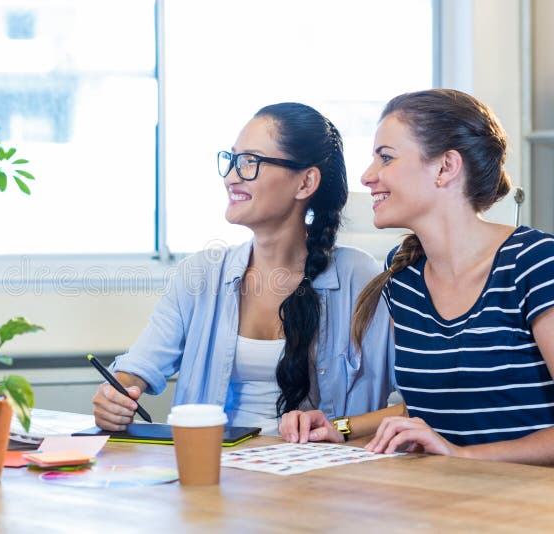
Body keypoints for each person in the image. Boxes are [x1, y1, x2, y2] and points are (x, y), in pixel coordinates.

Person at [280, 89, 554, 465]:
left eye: (386, 158)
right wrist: (338, 427)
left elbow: (456, 443)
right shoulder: (404, 276)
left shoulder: (536, 263)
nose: (368, 175)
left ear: (445, 167)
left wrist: (460, 455)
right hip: (443, 502)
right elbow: (428, 410)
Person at [92, 102, 394, 435]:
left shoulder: (360, 278)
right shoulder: (200, 275)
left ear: (306, 183)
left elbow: (417, 402)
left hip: (319, 476)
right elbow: (138, 368)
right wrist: (115, 395)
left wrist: (342, 427)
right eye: (232, 160)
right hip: (215, 468)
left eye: (251, 162)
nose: (231, 176)